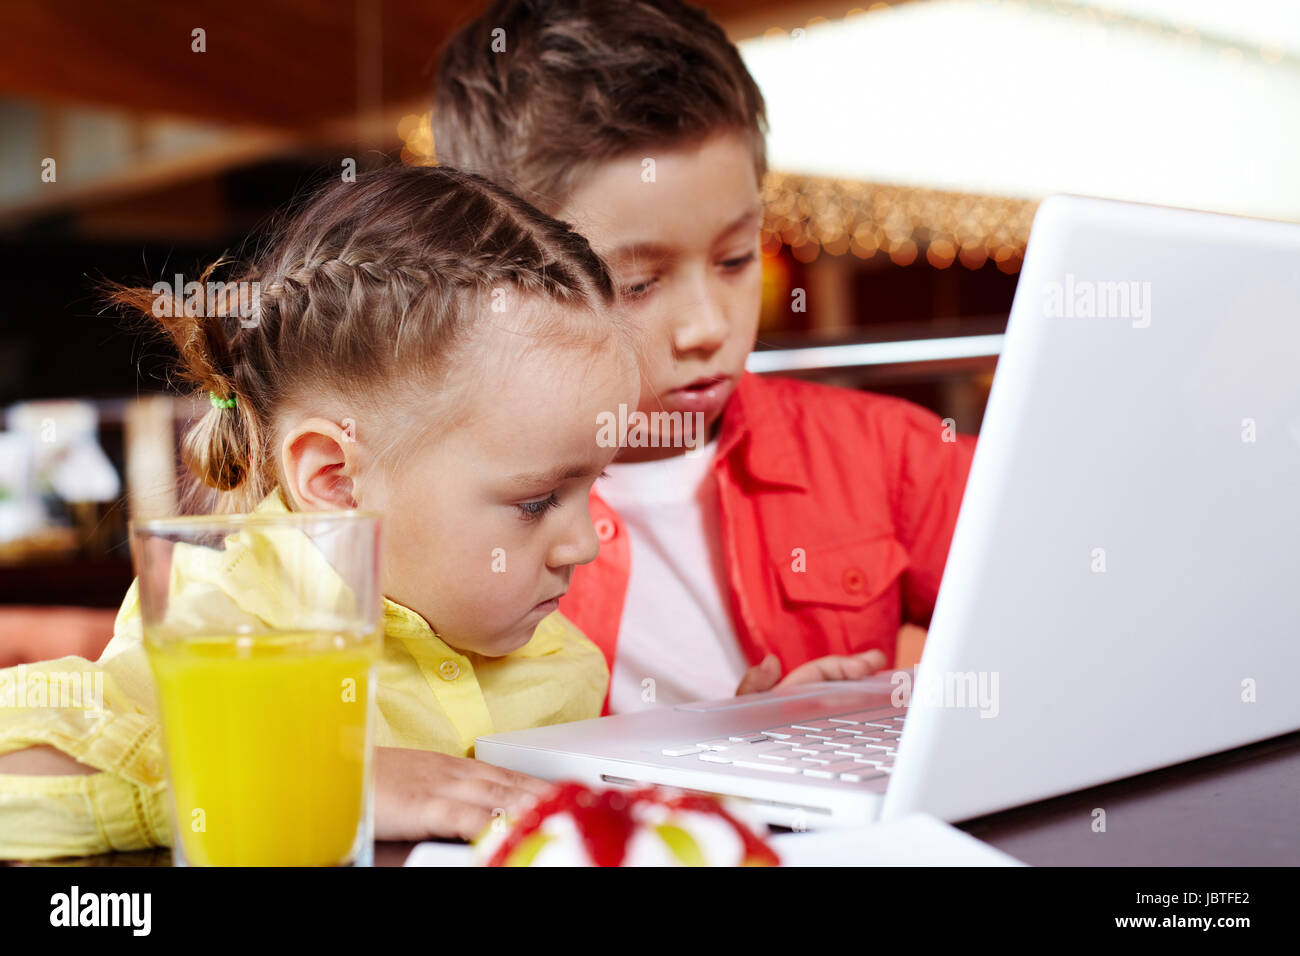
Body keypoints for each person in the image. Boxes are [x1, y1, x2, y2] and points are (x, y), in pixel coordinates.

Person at [0, 164, 639, 858]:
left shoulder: (555, 654)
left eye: (591, 486)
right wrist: (310, 781)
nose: (584, 544)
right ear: (335, 479)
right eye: (538, 500)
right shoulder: (224, 620)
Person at [433, 0, 977, 714]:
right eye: (638, 282)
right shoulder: (430, 502)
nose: (707, 326)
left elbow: (1077, 594)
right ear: (495, 281)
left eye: (734, 258)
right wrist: (724, 743)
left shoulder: (887, 454)